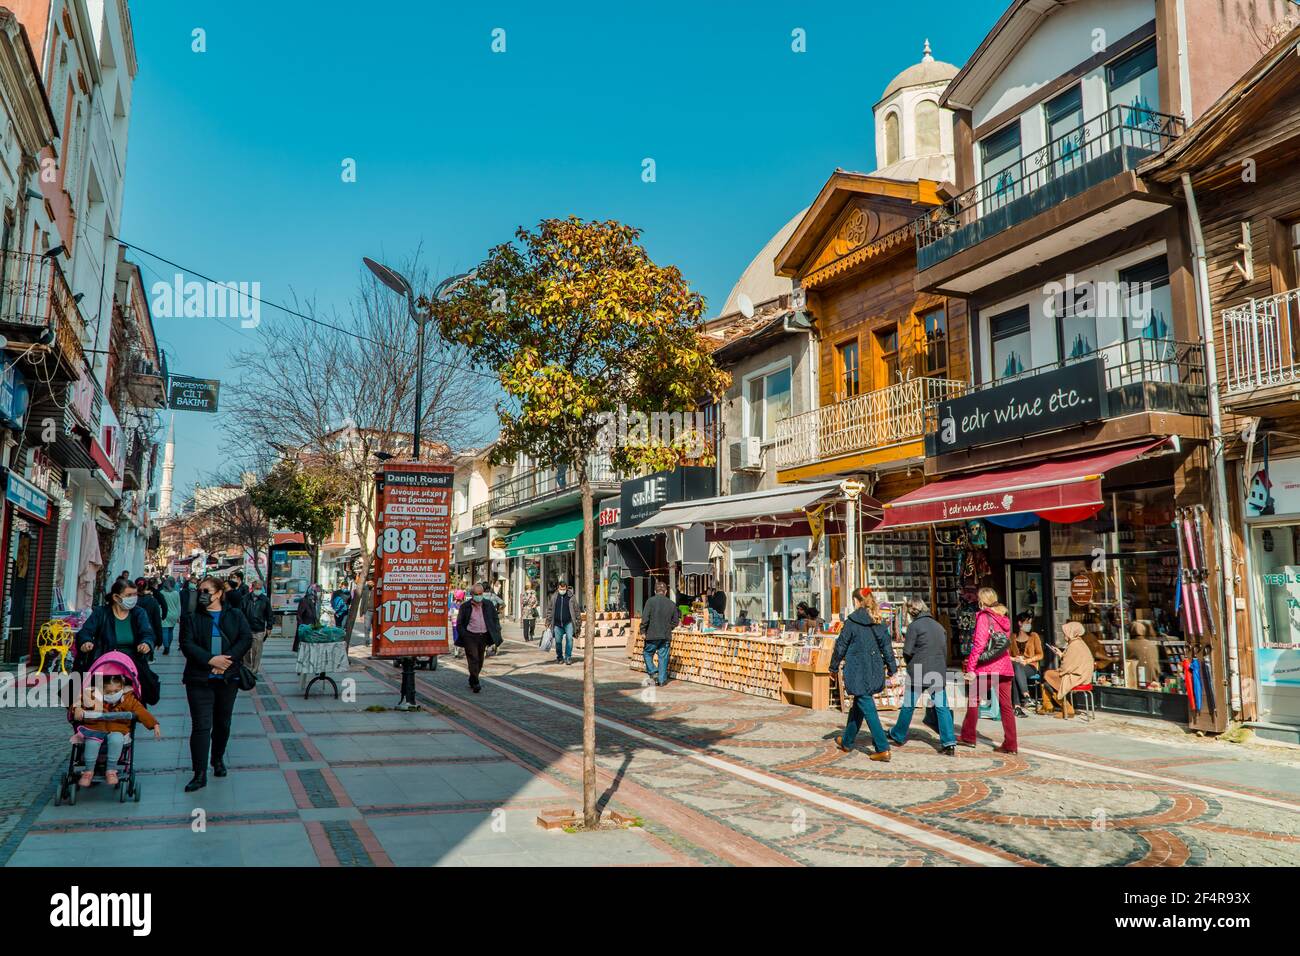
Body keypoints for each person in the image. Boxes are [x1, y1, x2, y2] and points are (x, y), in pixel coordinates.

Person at [179, 576, 253, 792]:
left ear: (219, 593)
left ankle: (217, 758)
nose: (202, 595)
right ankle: (199, 773)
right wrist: (211, 660)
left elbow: (245, 639)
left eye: (207, 591)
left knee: (223, 723)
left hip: (227, 679)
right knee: (201, 726)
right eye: (200, 591)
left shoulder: (235, 615)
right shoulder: (192, 617)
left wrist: (226, 660)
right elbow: (186, 644)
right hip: (199, 679)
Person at [829, 588, 897, 761]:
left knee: (866, 705)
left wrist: (833, 667)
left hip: (857, 669)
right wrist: (892, 668)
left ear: (857, 601)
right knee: (859, 705)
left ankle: (883, 748)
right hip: (874, 669)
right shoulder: (877, 620)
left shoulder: (852, 621)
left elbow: (840, 646)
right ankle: (847, 741)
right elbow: (887, 647)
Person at [887, 597, 956, 756]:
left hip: (918, 670)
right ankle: (949, 742)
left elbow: (907, 651)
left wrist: (910, 664)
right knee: (942, 707)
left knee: (908, 706)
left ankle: (898, 735)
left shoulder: (914, 626)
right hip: (937, 671)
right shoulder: (939, 626)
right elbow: (944, 651)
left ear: (912, 611)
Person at [72, 673, 163, 788]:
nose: (112, 694)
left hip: (118, 728)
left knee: (117, 740)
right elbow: (77, 703)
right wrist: (77, 709)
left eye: (116, 691)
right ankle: (88, 771)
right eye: (108, 692)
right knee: (92, 742)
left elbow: (140, 710)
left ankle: (111, 769)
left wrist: (154, 724)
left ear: (122, 687)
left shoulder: (128, 698)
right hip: (96, 727)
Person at [76, 579, 159, 703]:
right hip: (104, 661)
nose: (133, 598)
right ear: (116, 597)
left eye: (135, 595)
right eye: (129, 595)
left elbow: (147, 633)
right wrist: (86, 642)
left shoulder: (139, 613)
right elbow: (85, 632)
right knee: (89, 697)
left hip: (131, 663)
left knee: (137, 697)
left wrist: (146, 643)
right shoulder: (101, 613)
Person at [957, 587, 1018, 754]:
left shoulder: (984, 617)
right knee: (1006, 707)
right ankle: (1011, 744)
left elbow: (979, 644)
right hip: (1005, 666)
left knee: (973, 700)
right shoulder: (1004, 619)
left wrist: (970, 668)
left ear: (982, 601)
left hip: (987, 668)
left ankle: (968, 736)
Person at [1040, 620, 1094, 718]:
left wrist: (1059, 670)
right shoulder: (1079, 643)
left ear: (1071, 633)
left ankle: (1067, 708)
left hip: (1077, 677)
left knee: (1047, 675)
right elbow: (1072, 662)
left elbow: (1065, 667)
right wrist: (1061, 654)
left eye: (1065, 633)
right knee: (1047, 682)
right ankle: (1048, 706)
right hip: (1081, 675)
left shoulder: (1074, 645)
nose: (1064, 635)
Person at [456, 583, 500, 693]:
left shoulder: (488, 604)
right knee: (473, 658)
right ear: (472, 594)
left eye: (480, 594)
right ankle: (476, 682)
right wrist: (464, 635)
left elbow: (495, 619)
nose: (479, 596)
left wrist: (496, 630)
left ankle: (472, 678)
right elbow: (459, 623)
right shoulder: (465, 606)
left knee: (480, 660)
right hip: (470, 636)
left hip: (483, 635)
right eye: (476, 594)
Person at [641, 582, 680, 686]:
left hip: (652, 634)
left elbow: (645, 618)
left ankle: (653, 671)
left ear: (655, 591)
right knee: (663, 657)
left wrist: (643, 631)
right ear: (666, 592)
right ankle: (662, 681)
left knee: (647, 653)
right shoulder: (671, 604)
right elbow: (676, 621)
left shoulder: (650, 601)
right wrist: (669, 627)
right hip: (665, 635)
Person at [1010, 611, 1045, 717]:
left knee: (1015, 672)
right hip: (1016, 665)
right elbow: (1006, 655)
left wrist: (1026, 661)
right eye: (1027, 622)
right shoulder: (1012, 637)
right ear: (1020, 623)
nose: (1029, 625)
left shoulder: (1034, 636)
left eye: (1030, 622)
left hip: (1030, 666)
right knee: (1015, 670)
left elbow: (1040, 655)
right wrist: (1014, 658)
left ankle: (1019, 703)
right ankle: (1024, 698)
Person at [546, 580, 579, 666]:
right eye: (561, 588)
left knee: (569, 640)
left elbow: (576, 610)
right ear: (558, 588)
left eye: (564, 589)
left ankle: (568, 657)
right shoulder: (554, 597)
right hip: (557, 624)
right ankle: (560, 657)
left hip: (568, 623)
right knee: (558, 642)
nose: (562, 590)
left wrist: (578, 622)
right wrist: (548, 621)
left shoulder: (571, 597)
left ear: (567, 588)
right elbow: (549, 610)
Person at [244, 576, 273, 675]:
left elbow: (269, 614)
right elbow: (241, 613)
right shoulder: (245, 598)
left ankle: (254, 669)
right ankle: (247, 666)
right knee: (246, 650)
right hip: (247, 628)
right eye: (257, 588)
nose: (259, 590)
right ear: (252, 587)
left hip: (259, 628)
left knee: (257, 650)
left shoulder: (265, 599)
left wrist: (269, 627)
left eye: (260, 588)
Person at [134, 578, 164, 660]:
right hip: (148, 635)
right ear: (146, 587)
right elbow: (157, 621)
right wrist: (159, 640)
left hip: (133, 634)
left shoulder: (132, 601)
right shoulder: (152, 601)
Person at [158, 577, 181, 656]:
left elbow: (158, 605)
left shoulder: (162, 593)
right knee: (170, 631)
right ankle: (169, 646)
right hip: (174, 614)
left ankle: (166, 648)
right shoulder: (176, 593)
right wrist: (178, 616)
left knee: (164, 631)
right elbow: (178, 606)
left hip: (164, 614)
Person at [294, 583, 320, 651]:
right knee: (303, 637)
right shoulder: (304, 601)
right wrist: (301, 624)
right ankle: (299, 647)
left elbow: (314, 614)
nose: (316, 594)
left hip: (311, 622)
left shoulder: (314, 601)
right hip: (305, 622)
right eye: (315, 591)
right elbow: (299, 614)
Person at [450, 589, 465, 659]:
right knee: (460, 636)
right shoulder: (464, 605)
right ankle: (457, 649)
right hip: (461, 624)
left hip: (454, 623)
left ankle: (456, 649)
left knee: (455, 636)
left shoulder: (453, 604)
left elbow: (450, 613)